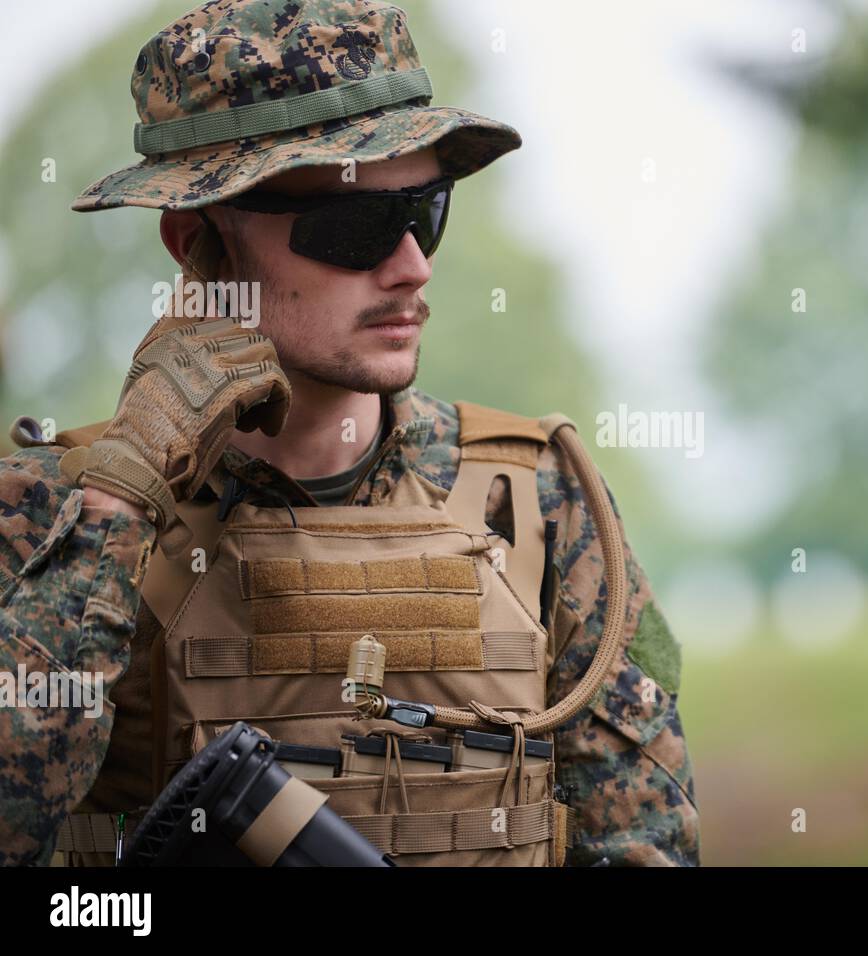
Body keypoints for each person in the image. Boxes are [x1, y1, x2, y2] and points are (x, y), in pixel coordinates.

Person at [0, 0, 699, 867]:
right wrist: (121, 495)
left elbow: (647, 845)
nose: (413, 264)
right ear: (197, 244)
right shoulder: (50, 514)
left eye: (427, 210)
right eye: (358, 225)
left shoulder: (539, 499)